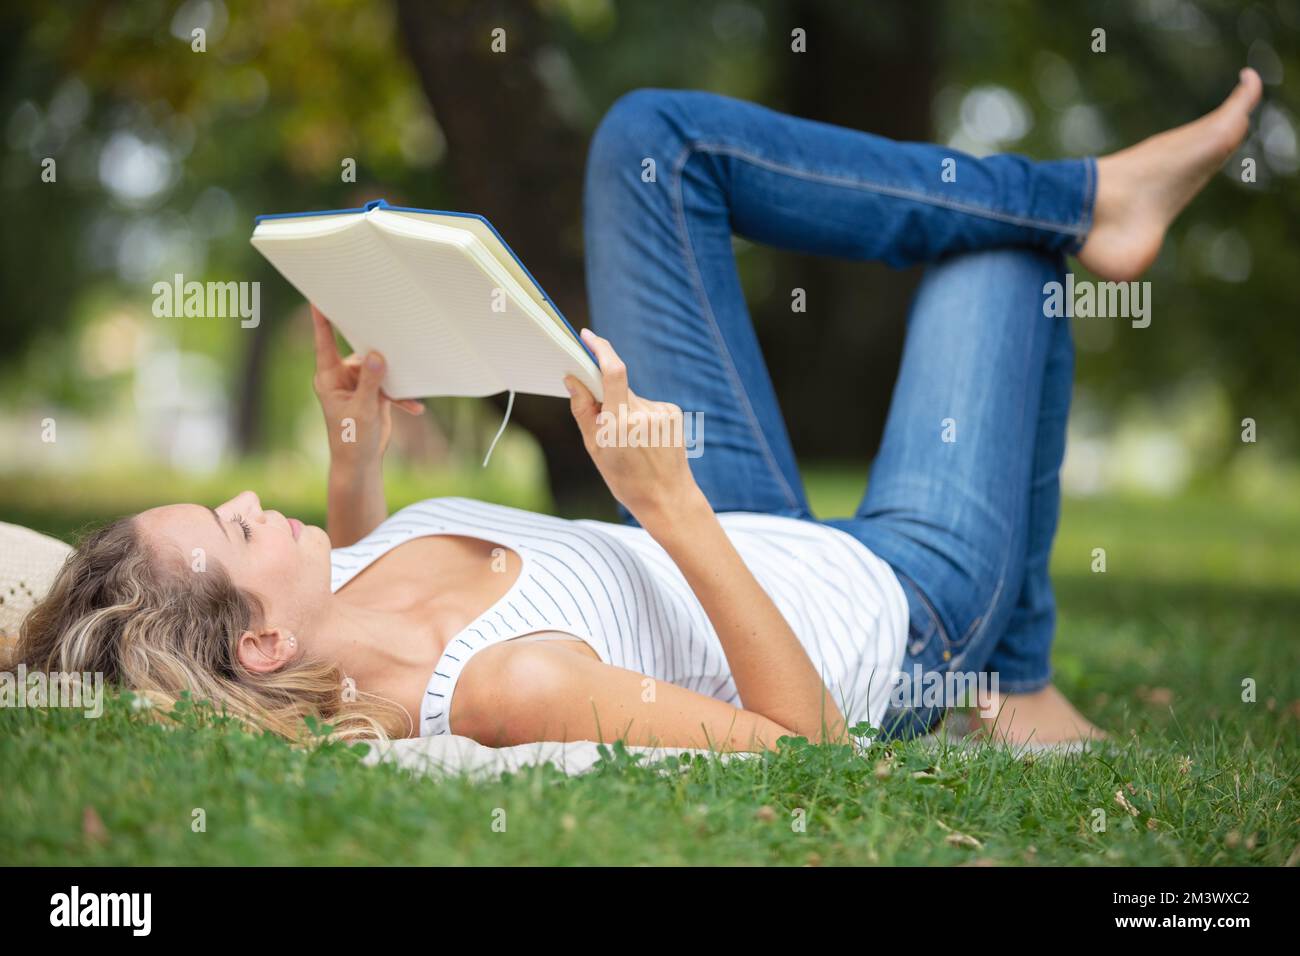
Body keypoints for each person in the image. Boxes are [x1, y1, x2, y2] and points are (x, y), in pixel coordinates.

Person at [11, 69, 1263, 753]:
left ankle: (1082, 200)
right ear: (265, 648)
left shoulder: (329, 592)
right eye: (235, 530)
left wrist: (358, 462)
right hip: (893, 601)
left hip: (731, 523)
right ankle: (1002, 657)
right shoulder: (507, 684)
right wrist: (663, 502)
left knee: (648, 140)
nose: (250, 500)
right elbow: (810, 745)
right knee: (993, 258)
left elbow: (361, 573)